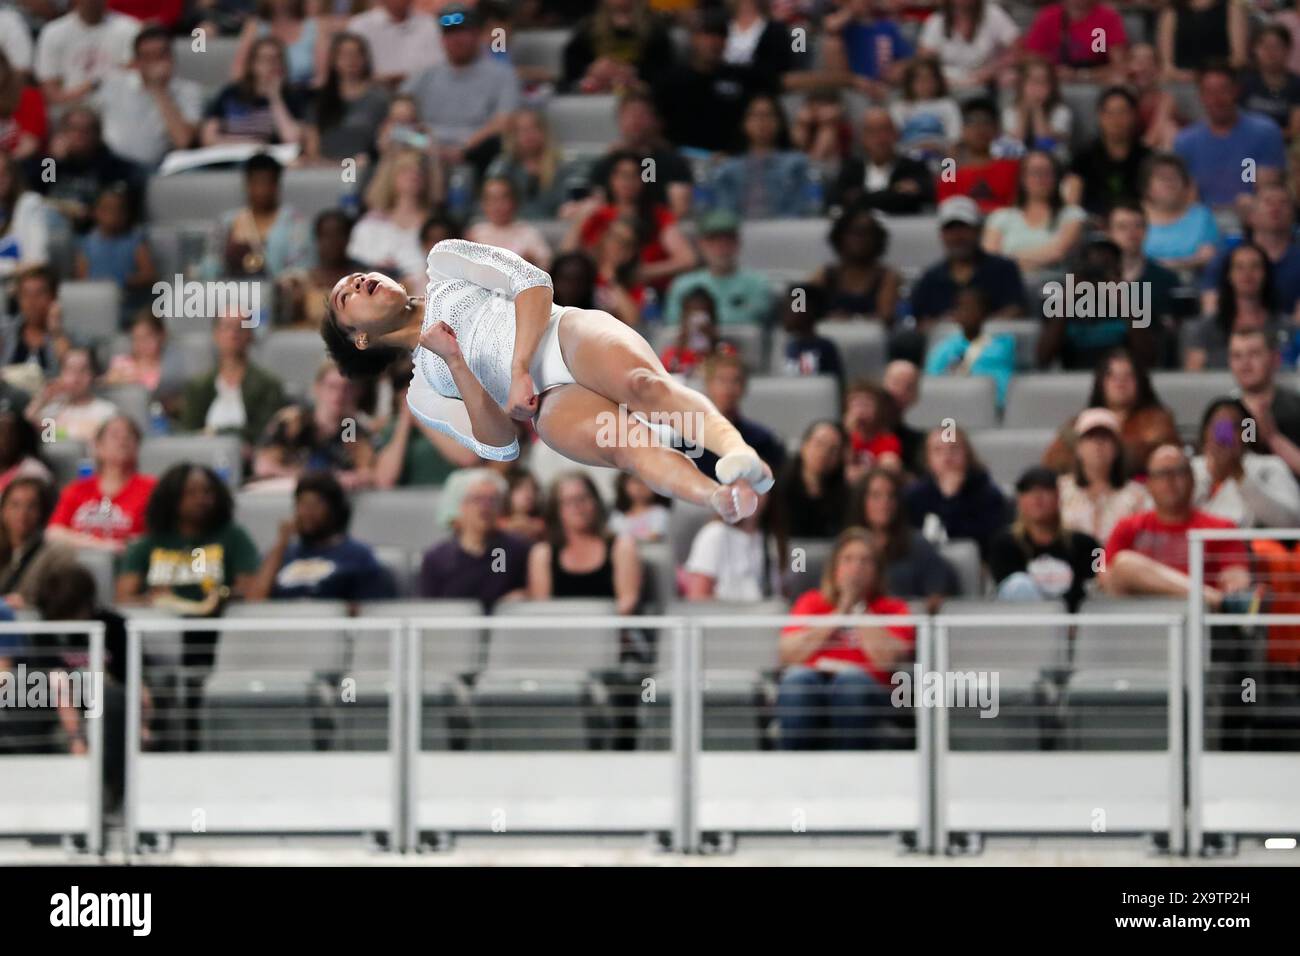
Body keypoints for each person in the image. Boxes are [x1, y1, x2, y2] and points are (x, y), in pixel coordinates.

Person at [322, 239, 777, 525]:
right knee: (627, 444)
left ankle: (736, 451)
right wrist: (456, 361)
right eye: (347, 294)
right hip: (548, 401)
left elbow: (532, 281)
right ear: (361, 339)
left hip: (563, 334)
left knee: (643, 386)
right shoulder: (424, 388)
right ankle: (716, 496)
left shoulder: (443, 264)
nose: (360, 281)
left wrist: (520, 367)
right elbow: (500, 444)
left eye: (360, 275)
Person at [116, 464, 260, 750]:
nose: (201, 499)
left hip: (213, 636)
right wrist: (151, 599)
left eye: (207, 492)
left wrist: (226, 594)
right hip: (160, 644)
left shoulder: (232, 536)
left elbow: (252, 590)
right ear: (172, 498)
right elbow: (124, 598)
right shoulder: (147, 544)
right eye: (191, 493)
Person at [777, 528, 913, 750]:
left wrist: (858, 607)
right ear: (834, 569)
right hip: (814, 680)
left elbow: (887, 660)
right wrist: (840, 611)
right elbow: (787, 654)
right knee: (796, 682)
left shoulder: (894, 609)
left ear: (877, 571)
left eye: (865, 561)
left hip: (866, 687)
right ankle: (795, 772)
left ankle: (852, 773)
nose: (856, 568)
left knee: (851, 683)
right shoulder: (811, 602)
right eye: (848, 560)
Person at [1098, 444, 1255, 610]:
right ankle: (1215, 600)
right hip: (1140, 620)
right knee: (1124, 564)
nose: (1170, 480)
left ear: (1193, 479)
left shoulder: (1221, 528)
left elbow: (1237, 577)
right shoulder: (1127, 526)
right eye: (1161, 474)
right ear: (1149, 485)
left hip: (1199, 621)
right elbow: (1105, 577)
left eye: (1178, 472)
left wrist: (1236, 584)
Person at [400, 4, 520, 172]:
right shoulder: (424, 75)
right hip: (427, 152)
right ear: (441, 39)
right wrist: (429, 147)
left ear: (477, 34)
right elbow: (397, 117)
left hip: (477, 154)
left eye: (463, 32)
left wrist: (463, 149)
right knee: (394, 137)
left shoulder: (502, 75)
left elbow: (504, 122)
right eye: (449, 34)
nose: (456, 40)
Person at [247, 471, 396, 601]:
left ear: (334, 510)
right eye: (301, 505)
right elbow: (254, 603)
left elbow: (367, 611)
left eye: (314, 506)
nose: (306, 513)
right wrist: (281, 544)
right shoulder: (281, 555)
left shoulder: (358, 555)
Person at [565, 150, 697, 294]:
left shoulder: (658, 215)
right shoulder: (596, 214)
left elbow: (687, 259)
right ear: (611, 179)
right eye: (622, 175)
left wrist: (644, 272)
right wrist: (580, 219)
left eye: (634, 175)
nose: (627, 181)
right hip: (598, 292)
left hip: (648, 292)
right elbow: (565, 258)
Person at [652, 7, 777, 154]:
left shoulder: (742, 76)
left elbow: (780, 82)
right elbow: (655, 127)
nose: (713, 41)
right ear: (694, 38)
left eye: (720, 35)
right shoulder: (670, 81)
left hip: (733, 160)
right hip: (682, 158)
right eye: (707, 34)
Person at [1044, 348, 1180, 479]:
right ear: (1100, 383)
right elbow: (1053, 461)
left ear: (1140, 381)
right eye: (1112, 375)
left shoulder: (1158, 420)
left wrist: (1083, 447)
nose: (1120, 382)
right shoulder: (1080, 422)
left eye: (1128, 375)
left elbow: (1165, 459)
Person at [1174, 63, 1286, 210]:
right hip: (1205, 219)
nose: (1217, 99)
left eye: (1223, 90)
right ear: (1200, 96)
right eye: (1209, 92)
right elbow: (1185, 193)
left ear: (1236, 91)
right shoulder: (1185, 141)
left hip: (1252, 215)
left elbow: (1268, 188)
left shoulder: (1264, 131)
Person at [526, 471, 641, 613]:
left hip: (612, 632)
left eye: (583, 498)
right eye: (568, 501)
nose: (577, 507)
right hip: (559, 633)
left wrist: (594, 632)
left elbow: (628, 602)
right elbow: (541, 609)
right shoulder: (542, 554)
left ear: (596, 502)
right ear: (556, 510)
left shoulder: (622, 546)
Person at [989, 465, 1099, 610]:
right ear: (1019, 500)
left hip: (1075, 622)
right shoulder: (1003, 544)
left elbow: (1100, 581)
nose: (1037, 497)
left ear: (1058, 497)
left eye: (1045, 490)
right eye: (1029, 491)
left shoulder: (1088, 545)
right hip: (1023, 624)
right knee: (1018, 584)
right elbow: (1005, 589)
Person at [253, 360, 375, 490]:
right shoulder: (293, 421)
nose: (339, 395)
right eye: (332, 387)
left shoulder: (351, 429)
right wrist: (316, 479)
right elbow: (264, 467)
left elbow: (369, 474)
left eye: (347, 388)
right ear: (317, 388)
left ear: (356, 393)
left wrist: (355, 478)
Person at [418, 467, 530, 608]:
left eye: (492, 500)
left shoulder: (516, 551)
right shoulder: (437, 558)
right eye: (478, 499)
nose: (485, 507)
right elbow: (429, 611)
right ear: (461, 506)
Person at [909, 196, 1026, 330]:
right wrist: (946, 327)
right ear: (942, 234)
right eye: (950, 229)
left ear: (978, 230)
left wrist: (977, 326)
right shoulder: (930, 277)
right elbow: (920, 321)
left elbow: (1016, 309)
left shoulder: (1004, 269)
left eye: (964, 228)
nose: (957, 236)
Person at [852, 467, 958, 612]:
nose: (885, 503)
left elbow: (938, 589)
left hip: (904, 624)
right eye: (876, 496)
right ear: (862, 501)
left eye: (891, 496)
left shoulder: (917, 543)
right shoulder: (848, 544)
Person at [45, 414, 155, 553]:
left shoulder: (151, 489)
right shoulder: (76, 490)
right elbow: (54, 533)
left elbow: (157, 537)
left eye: (129, 437)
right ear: (98, 446)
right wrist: (100, 545)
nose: (122, 441)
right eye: (115, 436)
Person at [96, 24, 201, 169]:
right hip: (111, 165)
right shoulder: (113, 84)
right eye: (148, 57)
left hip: (159, 169)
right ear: (137, 62)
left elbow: (184, 141)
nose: (155, 63)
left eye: (161, 56)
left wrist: (158, 90)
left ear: (172, 58)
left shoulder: (188, 91)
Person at [179, 311, 287, 446]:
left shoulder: (268, 385)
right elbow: (187, 433)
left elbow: (266, 432)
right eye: (227, 327)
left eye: (240, 328)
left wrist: (216, 432)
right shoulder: (197, 386)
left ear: (250, 335)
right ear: (216, 334)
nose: (233, 334)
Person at [27, 105, 137, 235]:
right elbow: (41, 192)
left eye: (87, 130)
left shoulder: (111, 165)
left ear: (98, 134)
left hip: (92, 232)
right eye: (73, 129)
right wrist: (54, 160)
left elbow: (115, 204)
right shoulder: (51, 163)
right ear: (62, 133)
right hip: (53, 228)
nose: (80, 135)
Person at [1191, 396, 1300, 527]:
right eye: (1218, 426)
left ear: (1248, 433)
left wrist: (1240, 475)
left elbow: (1292, 521)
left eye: (1235, 426)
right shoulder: (1190, 468)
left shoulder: (1270, 466)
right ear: (1205, 432)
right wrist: (1210, 475)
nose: (1226, 434)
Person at [904, 425, 1008, 558]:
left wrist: (951, 500)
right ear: (927, 458)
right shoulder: (913, 496)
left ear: (968, 454)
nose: (947, 458)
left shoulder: (987, 494)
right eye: (938, 451)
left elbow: (987, 542)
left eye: (954, 449)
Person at [373, 355, 476, 488]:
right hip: (406, 504)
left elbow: (469, 459)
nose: (409, 389)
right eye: (402, 384)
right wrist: (404, 424)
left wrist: (422, 420)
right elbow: (384, 480)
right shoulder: (391, 429)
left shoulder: (453, 419)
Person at [1186, 242, 1292, 371]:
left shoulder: (1285, 326)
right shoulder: (1204, 329)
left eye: (1255, 266)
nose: (1247, 273)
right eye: (1239, 267)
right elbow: (1193, 373)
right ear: (1229, 275)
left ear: (1266, 273)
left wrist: (1211, 359)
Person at [1201, 182, 1300, 320]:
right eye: (1268, 202)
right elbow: (1211, 305)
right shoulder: (1228, 258)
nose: (1276, 208)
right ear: (1251, 216)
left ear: (1293, 214)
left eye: (1283, 203)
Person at [205, 152, 308, 281]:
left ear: (276, 185)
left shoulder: (294, 220)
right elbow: (210, 265)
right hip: (228, 295)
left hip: (277, 297)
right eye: (256, 183)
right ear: (247, 184)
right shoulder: (226, 222)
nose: (261, 190)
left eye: (267, 183)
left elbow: (300, 268)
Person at [586, 91, 692, 216]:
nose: (635, 121)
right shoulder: (607, 163)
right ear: (619, 121)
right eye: (629, 115)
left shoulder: (672, 163)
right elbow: (596, 208)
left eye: (642, 115)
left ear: (654, 120)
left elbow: (679, 209)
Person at [982, 150, 1086, 274]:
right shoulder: (1000, 217)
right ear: (1022, 178)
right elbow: (990, 258)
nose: (1040, 178)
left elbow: (1057, 253)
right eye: (1034, 172)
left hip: (1054, 284)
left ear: (1056, 178)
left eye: (1047, 173)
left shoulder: (1072, 215)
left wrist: (1007, 261)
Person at [1057, 407, 1152, 543]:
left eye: (1105, 437)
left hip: (1119, 561)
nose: (1098, 444)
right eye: (1090, 437)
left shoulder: (1138, 496)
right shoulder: (1059, 491)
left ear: (1117, 448)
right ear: (1078, 447)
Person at [708, 93, 810, 219]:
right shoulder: (728, 168)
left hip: (785, 231)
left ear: (780, 121)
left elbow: (801, 209)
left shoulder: (796, 164)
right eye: (755, 115)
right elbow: (723, 213)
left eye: (768, 115)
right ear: (743, 122)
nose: (762, 121)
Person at [663, 210, 772, 327]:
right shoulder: (683, 286)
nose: (721, 246)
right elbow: (673, 322)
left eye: (728, 239)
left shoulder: (757, 284)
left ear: (738, 242)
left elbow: (754, 318)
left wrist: (701, 319)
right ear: (701, 244)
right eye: (713, 240)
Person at [347, 148, 438, 285]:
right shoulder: (370, 225)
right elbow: (355, 263)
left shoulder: (437, 225)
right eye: (406, 170)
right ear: (391, 176)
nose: (414, 175)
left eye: (419, 171)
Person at [485, 108, 592, 219]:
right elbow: (487, 204)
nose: (528, 135)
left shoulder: (564, 167)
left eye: (534, 128)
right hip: (510, 230)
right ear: (512, 136)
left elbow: (573, 203)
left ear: (544, 132)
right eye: (522, 130)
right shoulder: (502, 168)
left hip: (554, 229)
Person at [200, 35, 307, 147]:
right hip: (228, 154)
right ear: (252, 64)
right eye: (265, 59)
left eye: (276, 59)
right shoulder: (231, 93)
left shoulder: (291, 96)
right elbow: (207, 138)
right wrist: (247, 144)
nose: (271, 64)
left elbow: (292, 139)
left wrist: (275, 97)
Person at [1062, 86, 1151, 217]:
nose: (1116, 120)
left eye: (1122, 112)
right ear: (1100, 116)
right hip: (1092, 227)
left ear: (1133, 116)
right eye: (1110, 113)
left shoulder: (1147, 158)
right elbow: (1072, 204)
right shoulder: (1082, 157)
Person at [827, 107, 935, 214]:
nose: (880, 138)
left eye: (885, 130)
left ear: (896, 134)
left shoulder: (914, 167)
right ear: (863, 138)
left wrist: (860, 197)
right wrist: (893, 193)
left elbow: (914, 199)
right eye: (872, 131)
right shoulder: (851, 169)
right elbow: (836, 198)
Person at [303, 31, 389, 164]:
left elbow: (386, 139)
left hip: (366, 169)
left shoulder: (380, 99)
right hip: (326, 171)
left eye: (356, 55)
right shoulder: (320, 100)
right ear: (333, 59)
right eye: (344, 55)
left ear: (365, 59)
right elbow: (312, 147)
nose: (351, 60)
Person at [33, 0, 139, 106]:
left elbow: (132, 78)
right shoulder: (53, 32)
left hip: (117, 105)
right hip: (70, 109)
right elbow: (52, 94)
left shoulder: (130, 28)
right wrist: (92, 84)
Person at [806, 202, 900, 322]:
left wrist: (849, 319)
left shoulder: (888, 276)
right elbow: (799, 293)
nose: (859, 240)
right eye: (853, 233)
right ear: (840, 237)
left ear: (877, 239)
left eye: (866, 233)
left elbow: (885, 316)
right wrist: (802, 313)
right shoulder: (826, 274)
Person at [924, 287, 1016, 408]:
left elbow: (1003, 384)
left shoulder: (1002, 346)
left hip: (992, 409)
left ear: (985, 313)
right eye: (962, 308)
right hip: (951, 408)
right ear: (955, 314)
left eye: (974, 308)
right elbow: (931, 384)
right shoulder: (943, 349)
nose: (967, 313)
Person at [1229, 327, 1300, 480]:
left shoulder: (1296, 407)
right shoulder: (1224, 412)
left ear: (1275, 359)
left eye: (1254, 354)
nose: (1245, 363)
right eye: (1237, 356)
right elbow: (1215, 471)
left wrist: (1273, 437)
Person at [561, 0, 676, 94]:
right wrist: (591, 69)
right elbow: (572, 65)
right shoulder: (587, 27)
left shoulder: (654, 28)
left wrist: (634, 72)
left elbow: (664, 67)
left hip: (639, 89)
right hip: (596, 87)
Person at [683, 485, 776, 601]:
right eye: (745, 485)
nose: (753, 494)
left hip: (766, 614)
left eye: (759, 486)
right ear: (730, 491)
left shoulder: (772, 539)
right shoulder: (713, 534)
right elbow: (697, 598)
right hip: (726, 615)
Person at [278, 210, 366, 330]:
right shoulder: (300, 280)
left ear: (348, 238)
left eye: (338, 235)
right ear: (317, 239)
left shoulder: (364, 280)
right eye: (326, 235)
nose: (332, 242)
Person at [73, 185, 155, 312]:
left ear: (126, 214)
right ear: (96, 212)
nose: (113, 215)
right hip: (96, 307)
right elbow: (82, 279)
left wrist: (123, 282)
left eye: (118, 210)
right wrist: (100, 288)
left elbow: (149, 274)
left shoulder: (135, 240)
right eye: (107, 209)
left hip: (129, 308)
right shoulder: (87, 243)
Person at [0, 475, 75, 610]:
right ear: (3, 510)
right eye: (15, 505)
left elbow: (63, 598)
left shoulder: (57, 553)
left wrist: (30, 604)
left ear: (43, 512)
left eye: (31, 506)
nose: (22, 513)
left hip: (34, 624)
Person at [935, 97, 1021, 214]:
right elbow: (945, 205)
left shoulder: (1012, 167)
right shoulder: (949, 167)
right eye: (972, 122)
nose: (979, 129)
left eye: (986, 122)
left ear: (996, 130)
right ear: (962, 130)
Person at [1140, 152, 1220, 272]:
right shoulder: (1134, 215)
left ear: (1185, 184)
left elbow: (1207, 257)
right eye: (1162, 178)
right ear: (1147, 186)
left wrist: (1168, 266)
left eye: (1174, 177)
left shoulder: (1202, 217)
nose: (1169, 183)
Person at [771, 419, 850, 540]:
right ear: (804, 446)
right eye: (819, 443)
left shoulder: (845, 495)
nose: (824, 452)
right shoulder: (777, 487)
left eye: (833, 449)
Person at [916, 0, 1020, 91]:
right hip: (946, 84)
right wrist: (941, 81)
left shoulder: (993, 14)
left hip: (987, 81)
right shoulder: (937, 21)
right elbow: (924, 60)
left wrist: (992, 71)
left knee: (1010, 77)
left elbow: (1017, 50)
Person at [230, 0, 328, 91]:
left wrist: (295, 94)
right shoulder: (254, 26)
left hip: (303, 96)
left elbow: (322, 77)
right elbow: (238, 71)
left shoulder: (315, 27)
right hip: (260, 96)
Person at [26, 347, 117, 444]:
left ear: (93, 375)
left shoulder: (107, 411)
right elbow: (29, 428)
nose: (76, 377)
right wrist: (43, 398)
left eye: (83, 370)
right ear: (60, 375)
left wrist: (57, 432)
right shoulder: (51, 408)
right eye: (70, 370)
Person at [101, 312, 187, 413]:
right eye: (136, 338)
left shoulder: (169, 366)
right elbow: (103, 386)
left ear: (161, 336)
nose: (142, 344)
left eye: (147, 337)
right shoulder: (121, 364)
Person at [1022, 0, 1128, 82]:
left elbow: (1119, 66)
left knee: (1119, 79)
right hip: (1054, 83)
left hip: (1097, 81)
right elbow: (1031, 59)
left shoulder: (1108, 17)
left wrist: (1081, 75)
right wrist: (1054, 71)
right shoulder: (1048, 16)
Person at [821, 0, 911, 95]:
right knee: (831, 43)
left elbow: (907, 58)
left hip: (886, 86)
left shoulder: (886, 26)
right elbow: (831, 27)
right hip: (852, 88)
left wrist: (897, 69)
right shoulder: (843, 30)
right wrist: (851, 11)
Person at [347, 0, 443, 88]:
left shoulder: (430, 25)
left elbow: (438, 68)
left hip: (420, 94)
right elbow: (348, 69)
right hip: (371, 95)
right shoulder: (360, 26)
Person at [466, 176, 552, 269]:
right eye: (492, 199)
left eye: (503, 198)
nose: (497, 205)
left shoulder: (529, 233)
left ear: (515, 201)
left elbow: (546, 266)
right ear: (483, 204)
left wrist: (530, 266)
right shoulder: (475, 233)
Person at [1157, 0, 1248, 83]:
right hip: (1182, 79)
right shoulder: (1171, 13)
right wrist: (1189, 76)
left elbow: (1239, 59)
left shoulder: (1232, 10)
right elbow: (1167, 66)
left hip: (1221, 79)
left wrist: (1208, 76)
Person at [1000, 57, 1073, 160]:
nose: (1038, 87)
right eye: (1033, 81)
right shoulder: (1010, 111)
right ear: (1021, 85)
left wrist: (1037, 109)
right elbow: (1015, 143)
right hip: (1020, 162)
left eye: (1043, 82)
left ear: (1052, 86)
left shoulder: (1061, 111)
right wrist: (1024, 111)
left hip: (1053, 162)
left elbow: (1044, 142)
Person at [889, 56, 961, 158]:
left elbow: (954, 140)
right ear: (910, 82)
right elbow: (895, 140)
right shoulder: (899, 107)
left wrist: (949, 170)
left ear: (938, 81)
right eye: (919, 79)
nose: (925, 83)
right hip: (909, 158)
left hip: (941, 156)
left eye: (929, 79)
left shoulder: (948, 105)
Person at [1238, 24, 1300, 141]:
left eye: (1276, 46)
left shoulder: (1296, 85)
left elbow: (1295, 131)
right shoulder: (1245, 82)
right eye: (1264, 46)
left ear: (1288, 49)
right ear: (1255, 49)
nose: (1270, 53)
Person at [0, 265, 67, 372]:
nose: (31, 302)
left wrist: (56, 332)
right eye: (25, 294)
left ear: (53, 297)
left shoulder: (65, 337)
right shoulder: (5, 331)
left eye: (39, 294)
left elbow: (68, 371)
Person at [842, 379, 901, 484]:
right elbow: (842, 465)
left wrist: (860, 473)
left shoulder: (887, 439)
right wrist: (848, 432)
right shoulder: (843, 436)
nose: (861, 411)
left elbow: (889, 469)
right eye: (856, 405)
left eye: (867, 405)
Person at [778, 285, 842, 381]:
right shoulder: (787, 346)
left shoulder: (824, 347)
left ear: (809, 310)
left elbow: (835, 385)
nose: (785, 314)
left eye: (792, 309)